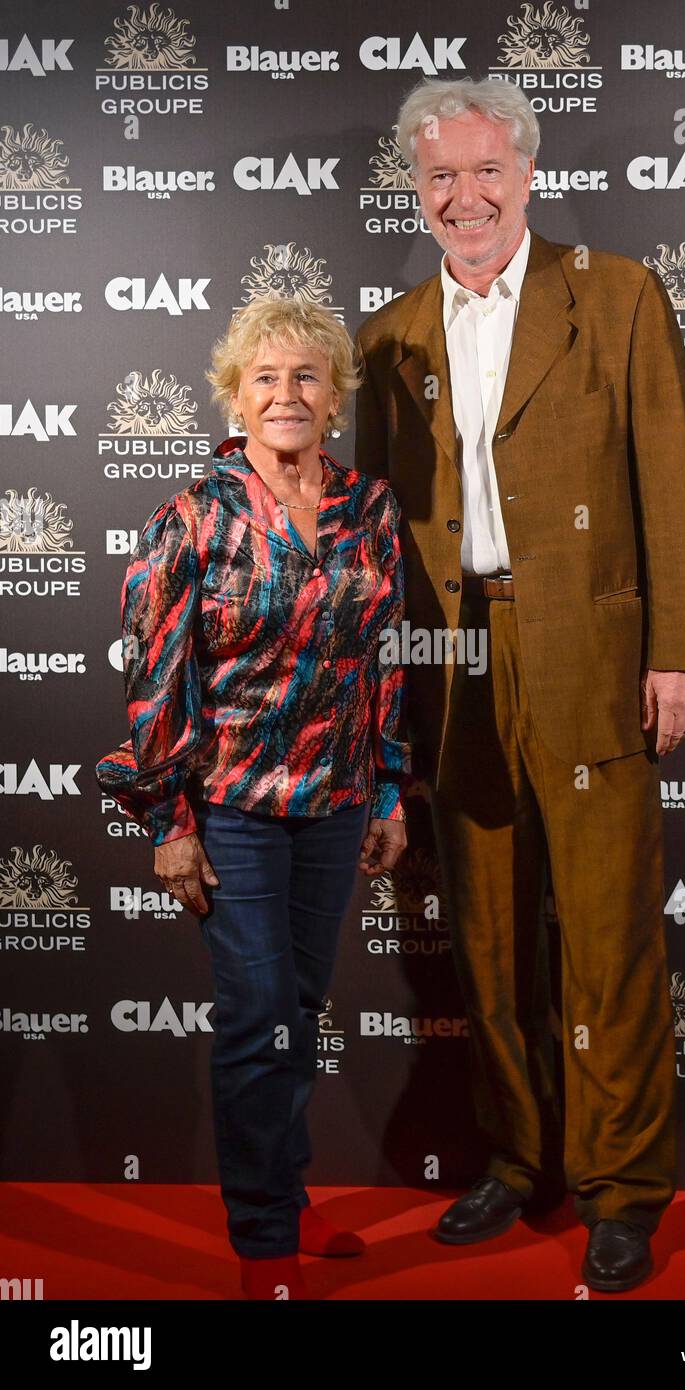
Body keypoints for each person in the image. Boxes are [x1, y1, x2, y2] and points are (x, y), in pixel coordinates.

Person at [353, 77, 685, 1293]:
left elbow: (668, 482)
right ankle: (517, 1157)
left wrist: (677, 653)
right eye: (439, 177)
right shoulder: (386, 336)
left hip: (594, 658)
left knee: (608, 939)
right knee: (489, 941)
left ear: (525, 174)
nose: (464, 196)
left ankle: (621, 1188)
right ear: (417, 191)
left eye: (484, 172)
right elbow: (369, 540)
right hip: (453, 667)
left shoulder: (613, 295)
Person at [95, 296, 411, 1300]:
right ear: (234, 394)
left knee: (301, 1008)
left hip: (338, 801)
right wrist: (167, 821)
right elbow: (155, 681)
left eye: (306, 376)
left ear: (334, 398)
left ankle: (283, 1182)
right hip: (230, 803)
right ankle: (265, 1235)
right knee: (257, 1015)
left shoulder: (370, 509)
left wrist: (389, 792)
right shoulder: (190, 516)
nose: (286, 393)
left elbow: (380, 665)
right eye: (265, 377)